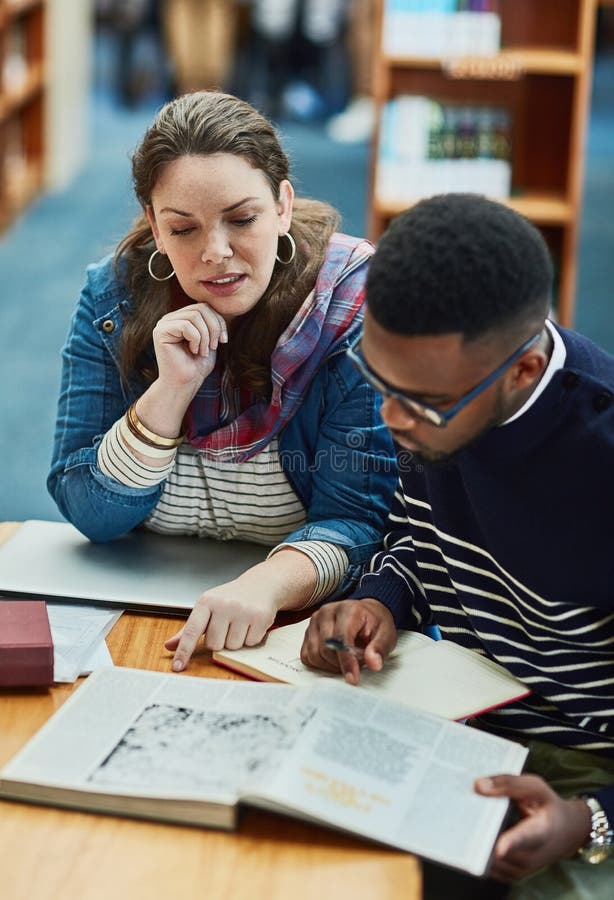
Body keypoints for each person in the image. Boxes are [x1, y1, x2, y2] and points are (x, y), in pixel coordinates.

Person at [301, 193, 614, 898]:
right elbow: (421, 531)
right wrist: (381, 599)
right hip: (465, 723)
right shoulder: (440, 399)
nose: (390, 416)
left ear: (524, 373)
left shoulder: (599, 466)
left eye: (416, 401)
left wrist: (590, 821)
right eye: (376, 377)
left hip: (587, 770)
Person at [47, 90, 396, 668]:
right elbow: (88, 511)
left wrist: (267, 584)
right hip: (132, 610)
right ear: (155, 229)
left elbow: (359, 524)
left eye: (242, 219)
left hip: (284, 621)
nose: (216, 253)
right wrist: (169, 392)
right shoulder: (113, 298)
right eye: (183, 229)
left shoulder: (351, 310)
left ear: (283, 206)